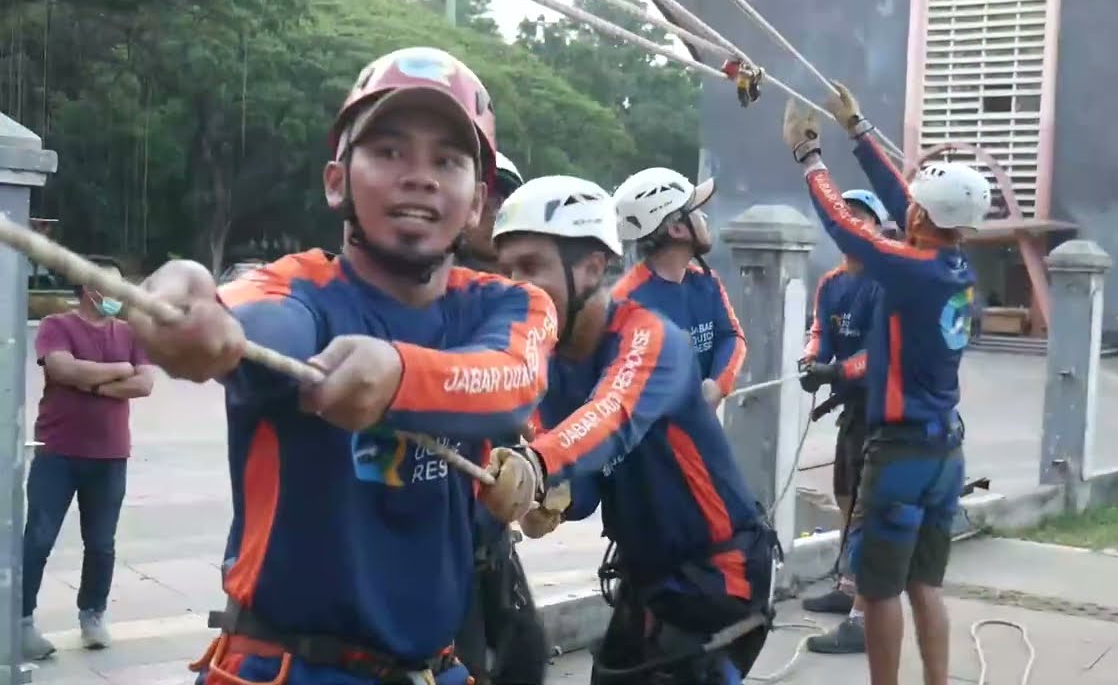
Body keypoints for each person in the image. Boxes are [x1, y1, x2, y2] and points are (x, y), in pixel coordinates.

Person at [125, 47, 556, 685]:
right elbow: (255, 325)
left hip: (435, 667)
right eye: (389, 151)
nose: (420, 176)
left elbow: (513, 377)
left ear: (477, 204)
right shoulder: (295, 290)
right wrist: (193, 310)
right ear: (336, 181)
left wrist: (398, 377)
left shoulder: (506, 305)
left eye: (447, 160)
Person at [488, 175, 776, 685]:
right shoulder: (549, 362)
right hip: (647, 578)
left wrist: (539, 462)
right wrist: (550, 501)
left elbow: (611, 413)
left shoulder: (652, 336)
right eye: (505, 269)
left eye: (530, 267)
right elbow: (584, 489)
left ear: (592, 267)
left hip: (718, 574)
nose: (514, 285)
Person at [781, 83, 989, 685]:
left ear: (922, 218)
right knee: (925, 585)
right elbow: (907, 205)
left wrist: (809, 157)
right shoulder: (953, 266)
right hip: (945, 450)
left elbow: (847, 227)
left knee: (878, 592)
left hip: (900, 455)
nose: (908, 210)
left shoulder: (910, 270)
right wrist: (859, 130)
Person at [21, 256, 158, 660]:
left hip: (110, 454)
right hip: (57, 451)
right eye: (108, 285)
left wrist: (93, 384)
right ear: (87, 288)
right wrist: (120, 368)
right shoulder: (56, 326)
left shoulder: (130, 332)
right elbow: (63, 369)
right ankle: (19, 621)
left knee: (101, 543)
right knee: (39, 538)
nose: (116, 294)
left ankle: (93, 614)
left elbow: (145, 384)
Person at [454, 150, 551, 685]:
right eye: (487, 197)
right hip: (442, 535)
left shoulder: (518, 298)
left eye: (504, 198)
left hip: (489, 529)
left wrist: (545, 467)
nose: (494, 210)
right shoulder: (442, 291)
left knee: (525, 657)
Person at [794, 190, 890, 656]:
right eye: (844, 216)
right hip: (852, 407)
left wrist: (835, 373)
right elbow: (820, 333)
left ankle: (864, 612)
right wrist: (811, 362)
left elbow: (881, 353)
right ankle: (847, 584)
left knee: (872, 508)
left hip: (886, 408)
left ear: (878, 226)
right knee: (846, 495)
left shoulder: (886, 281)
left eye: (860, 217)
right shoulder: (831, 283)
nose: (850, 223)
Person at [612, 168, 746, 408]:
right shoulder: (625, 302)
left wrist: (717, 385)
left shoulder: (706, 282)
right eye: (696, 211)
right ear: (677, 229)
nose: (704, 217)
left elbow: (731, 337)